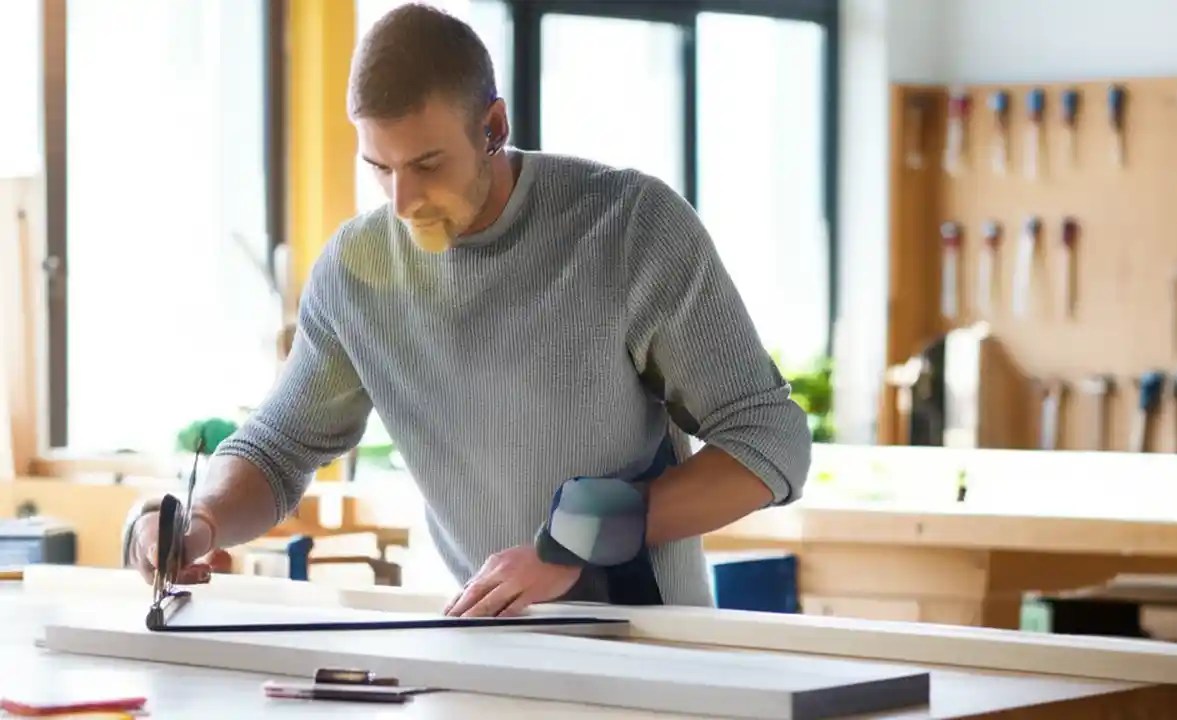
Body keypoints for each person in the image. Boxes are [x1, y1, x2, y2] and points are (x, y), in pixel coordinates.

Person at [122, 1, 811, 617]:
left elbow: (770, 442)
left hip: (651, 648)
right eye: (380, 168)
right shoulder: (355, 271)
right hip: (487, 645)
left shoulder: (629, 227)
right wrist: (202, 519)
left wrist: (573, 541)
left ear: (493, 125)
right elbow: (277, 449)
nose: (403, 201)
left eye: (426, 163)